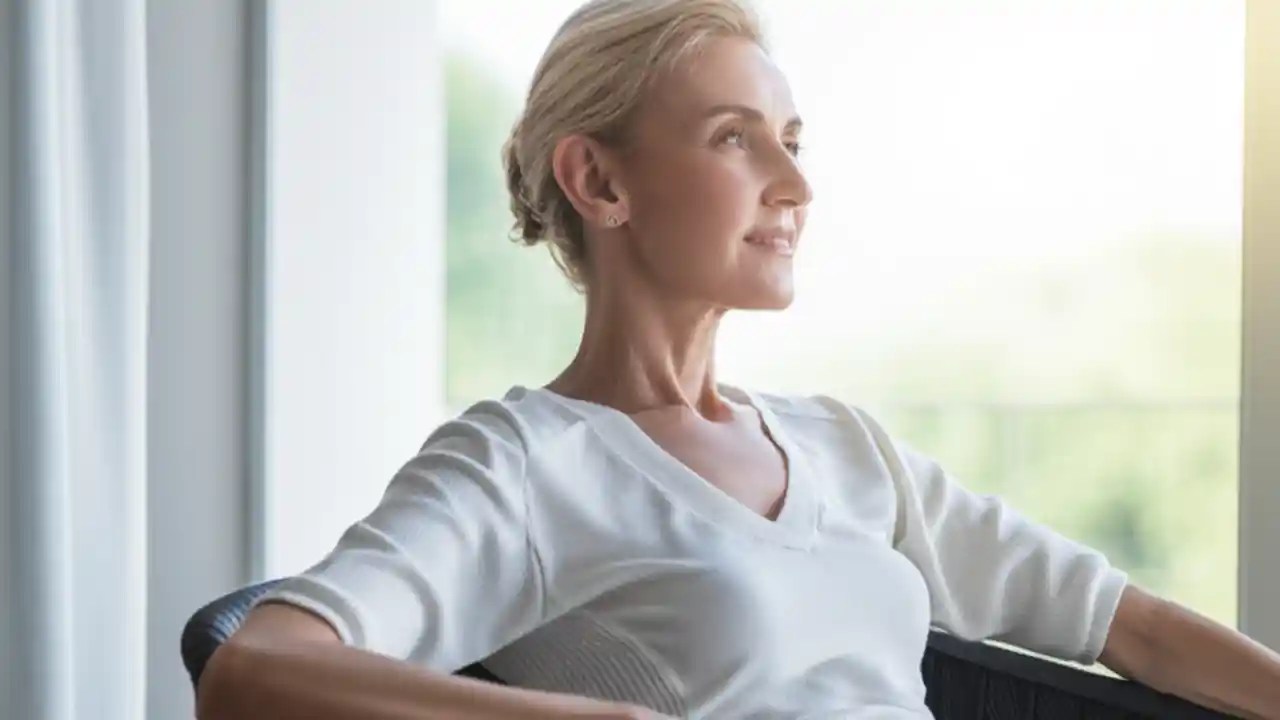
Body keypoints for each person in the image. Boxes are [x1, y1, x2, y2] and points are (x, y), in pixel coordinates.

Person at [195, 1, 1280, 718]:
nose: (793, 185)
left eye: (789, 141)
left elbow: (1126, 625)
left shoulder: (840, 447)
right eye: (731, 137)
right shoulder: (522, 466)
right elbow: (256, 667)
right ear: (598, 181)